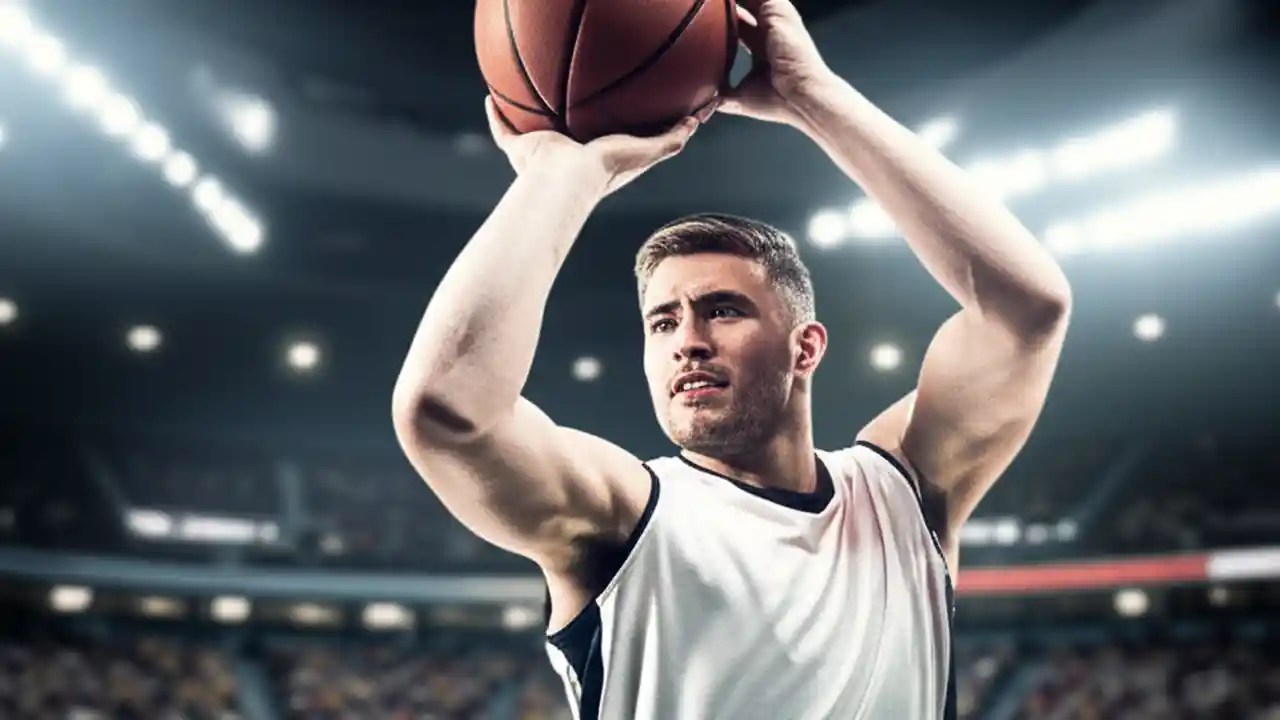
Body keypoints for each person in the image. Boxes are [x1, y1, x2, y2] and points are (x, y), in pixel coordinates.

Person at [391, 0, 1072, 717]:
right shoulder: (623, 515)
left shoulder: (906, 491)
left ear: (805, 346)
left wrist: (817, 98)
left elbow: (1027, 308)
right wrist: (563, 177)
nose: (686, 338)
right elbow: (445, 411)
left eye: (722, 310)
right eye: (662, 321)